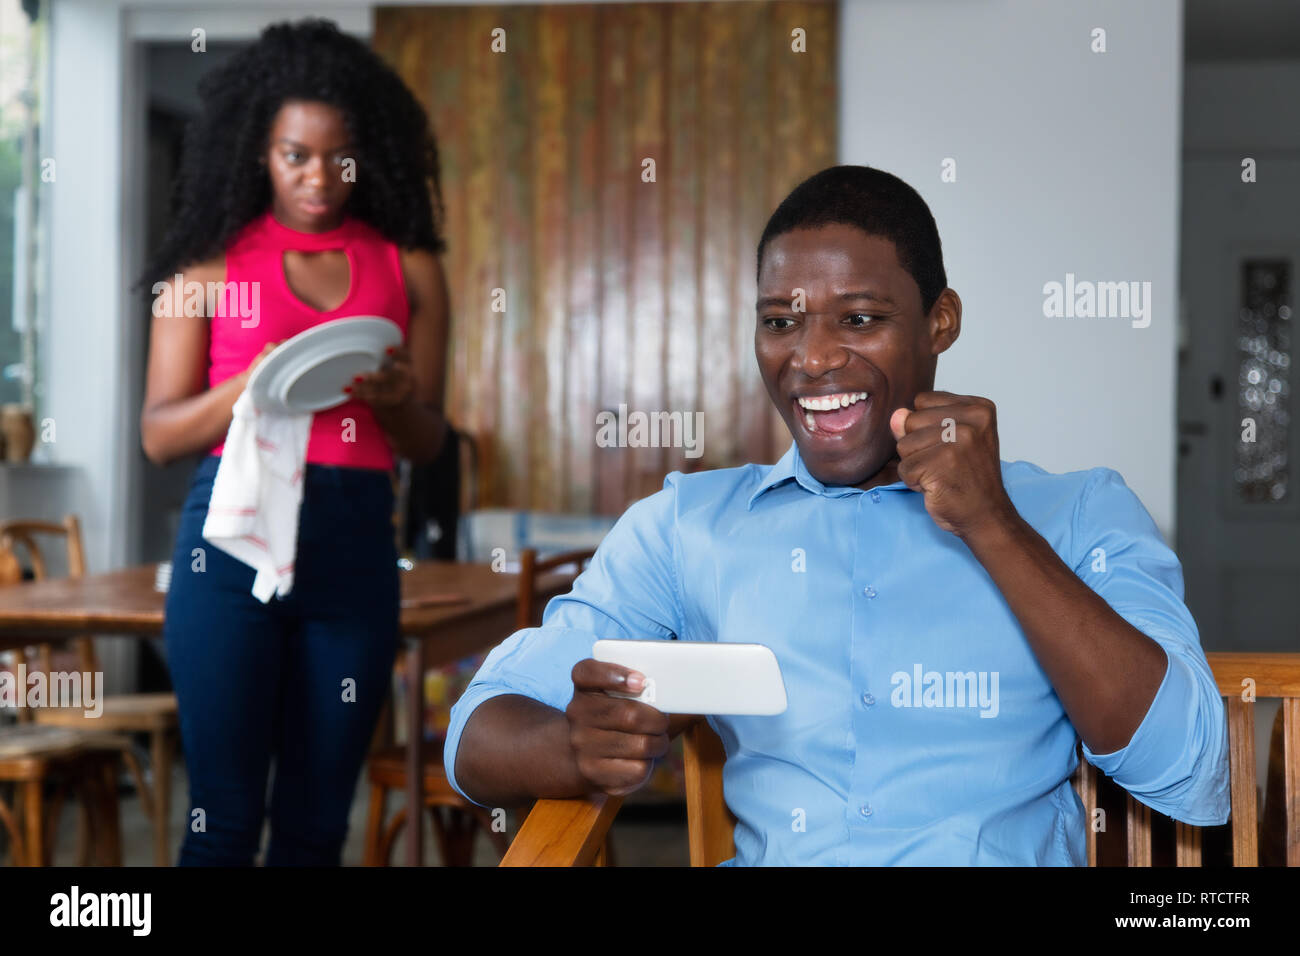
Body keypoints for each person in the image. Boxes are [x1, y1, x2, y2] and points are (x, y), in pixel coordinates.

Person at [443, 165, 1229, 865]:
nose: (811, 358)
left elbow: (1193, 774)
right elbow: (476, 731)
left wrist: (993, 524)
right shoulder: (687, 527)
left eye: (859, 319)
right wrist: (570, 747)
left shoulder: (1078, 512)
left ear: (939, 322)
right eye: (781, 321)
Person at [139, 18, 450, 866]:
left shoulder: (408, 264)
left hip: (353, 547)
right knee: (225, 819)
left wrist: (393, 403)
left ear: (366, 155)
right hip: (230, 543)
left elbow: (429, 439)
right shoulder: (203, 268)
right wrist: (249, 387)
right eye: (293, 155)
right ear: (257, 152)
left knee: (316, 826)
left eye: (337, 157)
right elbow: (159, 434)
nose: (319, 178)